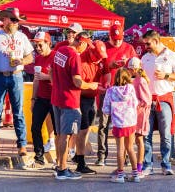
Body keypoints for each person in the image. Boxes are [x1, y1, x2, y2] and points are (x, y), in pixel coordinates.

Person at [50, 29, 99, 180]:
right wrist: (91, 86)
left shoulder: (60, 50)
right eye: (87, 46)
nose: (87, 49)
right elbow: (77, 81)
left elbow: (51, 71)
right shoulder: (74, 55)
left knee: (59, 135)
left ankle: (59, 166)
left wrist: (57, 84)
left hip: (56, 97)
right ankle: (63, 169)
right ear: (82, 43)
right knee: (66, 135)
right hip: (70, 100)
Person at [0, 7, 33, 157]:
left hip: (17, 75)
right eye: (12, 20)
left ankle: (22, 145)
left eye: (16, 21)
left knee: (18, 112)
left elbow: (30, 57)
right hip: (0, 76)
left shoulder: (22, 37)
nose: (14, 23)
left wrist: (22, 61)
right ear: (4, 20)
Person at [141, 29, 175, 176]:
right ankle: (148, 165)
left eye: (147, 43)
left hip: (164, 99)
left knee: (165, 134)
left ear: (156, 41)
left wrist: (166, 75)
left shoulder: (171, 56)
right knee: (145, 134)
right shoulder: (145, 58)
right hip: (147, 100)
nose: (145, 46)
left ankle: (166, 164)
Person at [98, 24, 136, 166]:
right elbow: (99, 68)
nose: (117, 42)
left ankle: (125, 156)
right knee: (103, 124)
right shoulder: (104, 48)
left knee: (124, 124)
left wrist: (128, 67)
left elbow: (136, 69)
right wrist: (110, 66)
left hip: (124, 93)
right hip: (108, 90)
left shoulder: (129, 48)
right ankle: (102, 155)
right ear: (109, 37)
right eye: (114, 39)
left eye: (119, 39)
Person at [75, 34, 108, 174]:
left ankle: (78, 156)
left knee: (87, 129)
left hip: (92, 99)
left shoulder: (100, 60)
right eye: (98, 56)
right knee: (82, 131)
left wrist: (105, 82)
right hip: (81, 98)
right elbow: (77, 84)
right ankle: (80, 162)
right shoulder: (81, 61)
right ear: (91, 52)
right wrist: (93, 86)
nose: (100, 59)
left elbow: (106, 70)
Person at [103, 67, 139, 183]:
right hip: (130, 122)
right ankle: (135, 174)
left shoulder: (111, 91)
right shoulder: (131, 89)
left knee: (120, 148)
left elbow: (106, 109)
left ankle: (120, 175)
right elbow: (135, 103)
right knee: (130, 148)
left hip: (118, 124)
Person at [30, 31, 55, 167]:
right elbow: (36, 79)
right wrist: (33, 99)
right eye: (36, 45)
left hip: (54, 97)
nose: (37, 48)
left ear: (48, 43)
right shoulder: (38, 58)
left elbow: (60, 79)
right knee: (35, 127)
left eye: (40, 45)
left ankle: (62, 160)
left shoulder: (55, 56)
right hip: (41, 97)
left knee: (58, 130)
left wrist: (46, 77)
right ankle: (39, 157)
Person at [128, 57, 151, 177]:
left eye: (130, 69)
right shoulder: (135, 80)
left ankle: (139, 167)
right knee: (135, 140)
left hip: (140, 114)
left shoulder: (141, 80)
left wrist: (135, 106)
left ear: (134, 68)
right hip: (134, 114)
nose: (129, 71)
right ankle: (136, 167)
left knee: (139, 139)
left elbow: (147, 100)